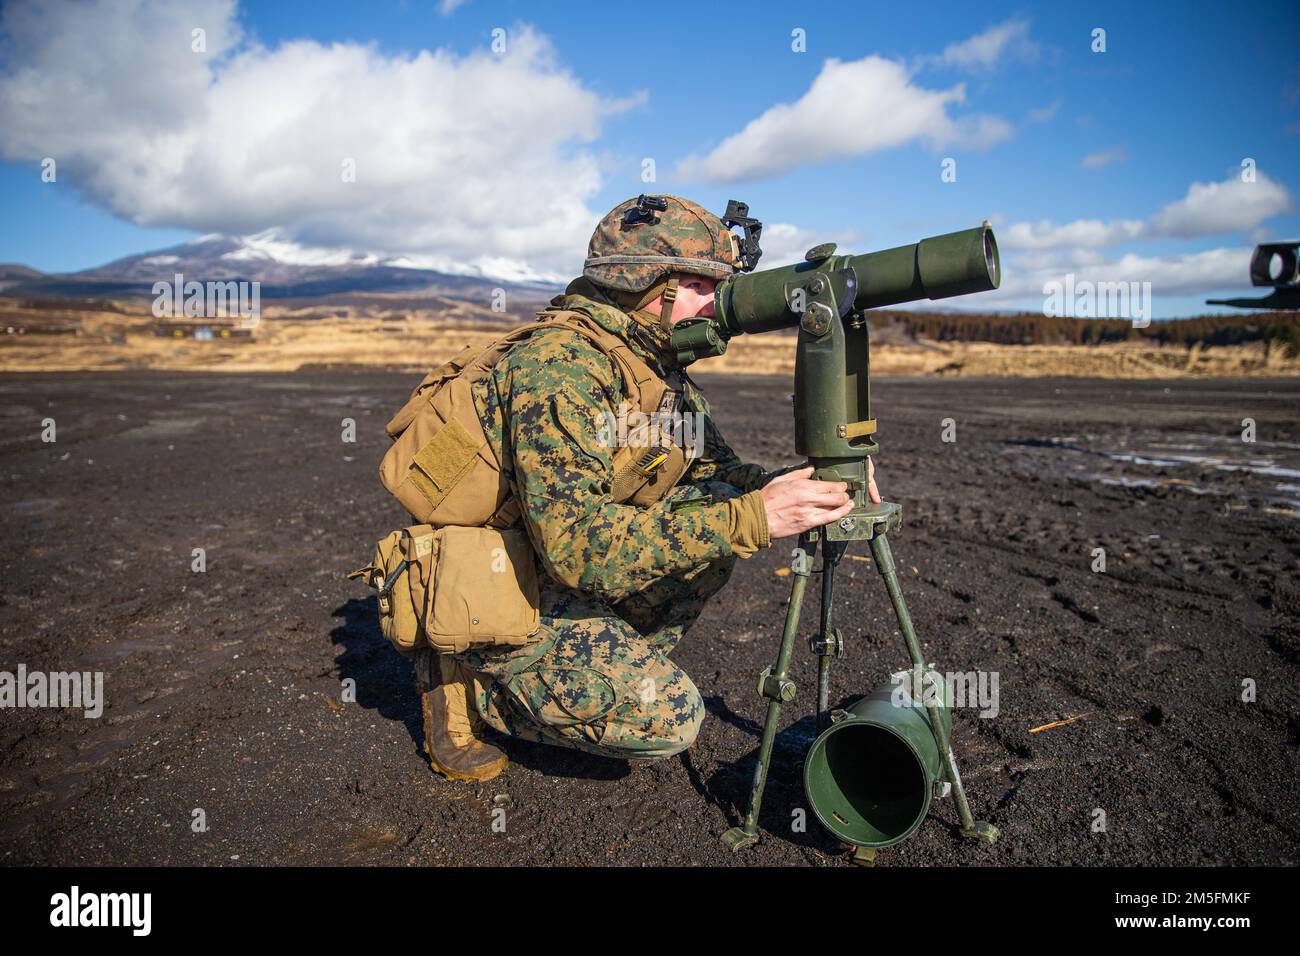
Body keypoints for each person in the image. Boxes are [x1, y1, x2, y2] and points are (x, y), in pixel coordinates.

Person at [414, 195, 879, 781]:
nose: (719, 302)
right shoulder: (559, 368)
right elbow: (577, 548)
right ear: (646, 283)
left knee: (715, 508)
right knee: (669, 719)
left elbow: (715, 473)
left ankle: (584, 671)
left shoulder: (653, 366)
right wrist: (753, 519)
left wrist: (805, 486)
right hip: (511, 577)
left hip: (559, 566)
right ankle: (473, 677)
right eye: (702, 284)